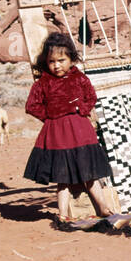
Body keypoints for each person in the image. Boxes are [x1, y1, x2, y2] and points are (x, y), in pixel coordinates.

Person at [24, 32, 115, 222]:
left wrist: (80, 110)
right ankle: (63, 214)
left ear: (71, 59)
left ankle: (104, 208)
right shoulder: (43, 83)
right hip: (58, 135)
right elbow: (31, 106)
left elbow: (91, 97)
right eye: (51, 61)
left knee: (89, 173)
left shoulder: (79, 78)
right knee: (62, 178)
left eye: (61, 60)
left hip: (81, 132)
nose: (56, 65)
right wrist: (51, 117)